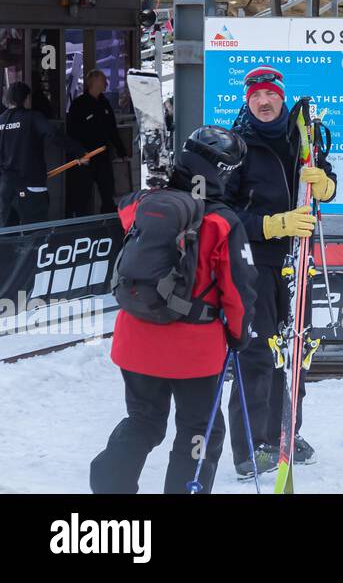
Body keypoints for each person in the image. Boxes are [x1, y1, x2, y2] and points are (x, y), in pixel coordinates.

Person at [89, 126, 257, 494]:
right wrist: (240, 336)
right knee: (200, 432)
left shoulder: (145, 204)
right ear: (222, 172)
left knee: (144, 420)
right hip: (194, 353)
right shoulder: (222, 222)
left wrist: (161, 183)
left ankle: (109, 483)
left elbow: (124, 208)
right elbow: (239, 291)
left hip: (135, 339)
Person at [225, 65, 336, 477]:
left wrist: (325, 184)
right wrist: (272, 224)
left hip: (298, 259)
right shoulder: (236, 145)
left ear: (280, 96)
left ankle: (284, 433)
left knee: (294, 351)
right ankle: (251, 445)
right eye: (256, 97)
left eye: (270, 95)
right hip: (254, 263)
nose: (264, 102)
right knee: (257, 353)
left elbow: (329, 181)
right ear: (248, 100)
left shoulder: (301, 137)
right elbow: (221, 212)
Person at [0, 81, 87, 226]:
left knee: (7, 236)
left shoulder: (1, 121)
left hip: (5, 187)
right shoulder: (32, 117)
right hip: (31, 185)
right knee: (36, 233)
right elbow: (53, 134)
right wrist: (79, 152)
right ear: (26, 98)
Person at [66, 69, 128, 216]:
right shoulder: (79, 104)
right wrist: (79, 153)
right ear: (93, 82)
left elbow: (112, 129)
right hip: (85, 157)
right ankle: (81, 228)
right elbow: (72, 132)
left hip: (104, 157)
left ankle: (108, 227)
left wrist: (121, 150)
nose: (106, 83)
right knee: (82, 196)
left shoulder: (104, 103)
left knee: (108, 194)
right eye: (102, 80)